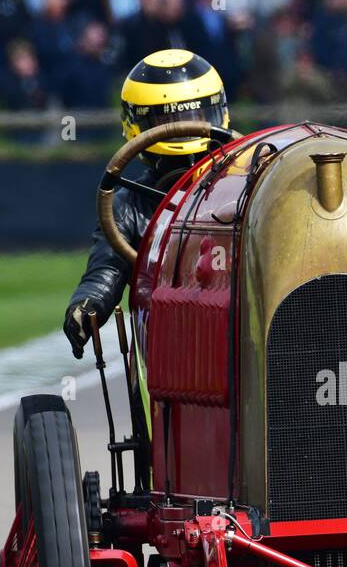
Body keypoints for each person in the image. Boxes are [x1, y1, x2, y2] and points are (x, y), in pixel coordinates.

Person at [63, 50, 230, 358]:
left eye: (194, 117)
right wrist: (88, 304)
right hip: (167, 345)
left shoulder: (245, 186)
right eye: (168, 119)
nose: (183, 128)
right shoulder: (127, 204)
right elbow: (108, 268)